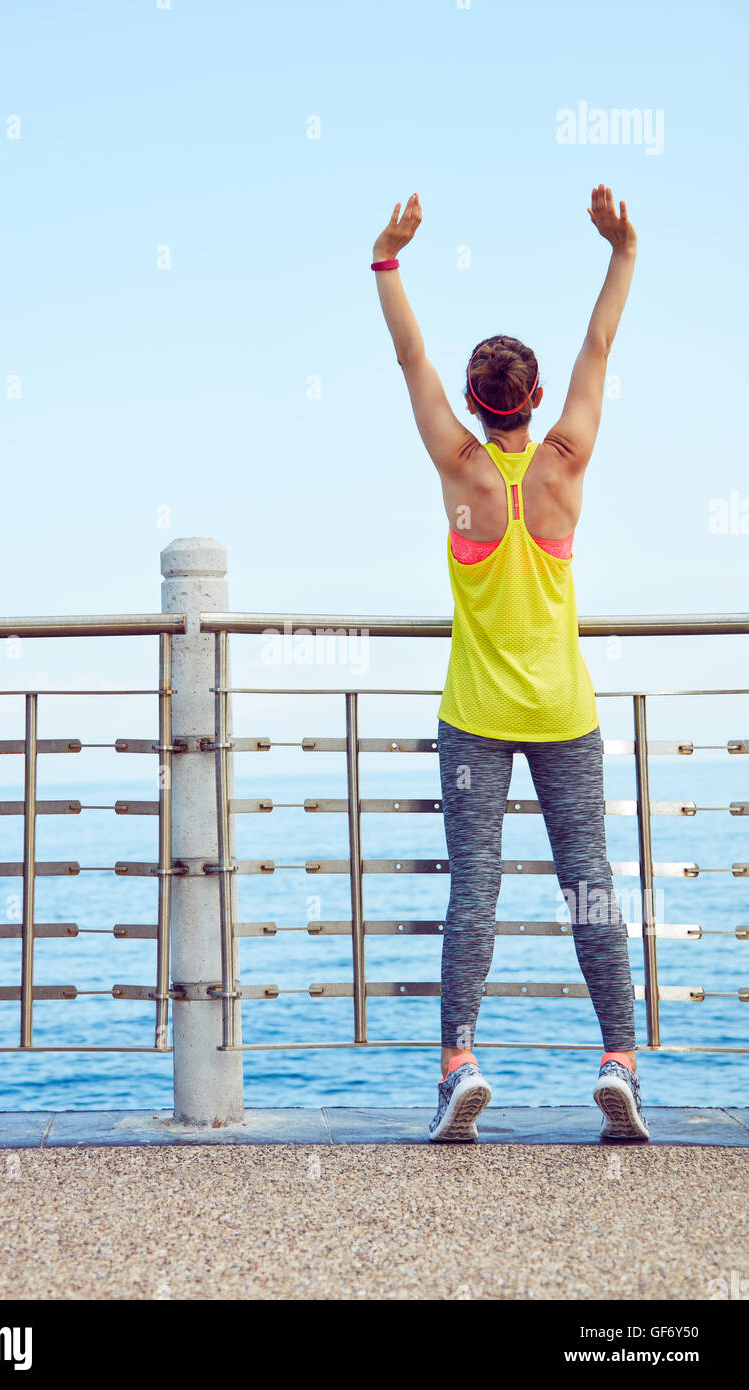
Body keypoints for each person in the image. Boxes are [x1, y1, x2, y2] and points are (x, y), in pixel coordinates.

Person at [372, 184, 648, 1143]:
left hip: (476, 718)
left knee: (473, 887)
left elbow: (410, 360)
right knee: (590, 882)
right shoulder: (566, 462)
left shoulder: (462, 469)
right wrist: (622, 250)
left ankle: (458, 1066)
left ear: (480, 403)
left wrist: (389, 259)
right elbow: (600, 347)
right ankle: (618, 1059)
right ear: (532, 401)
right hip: (565, 713)